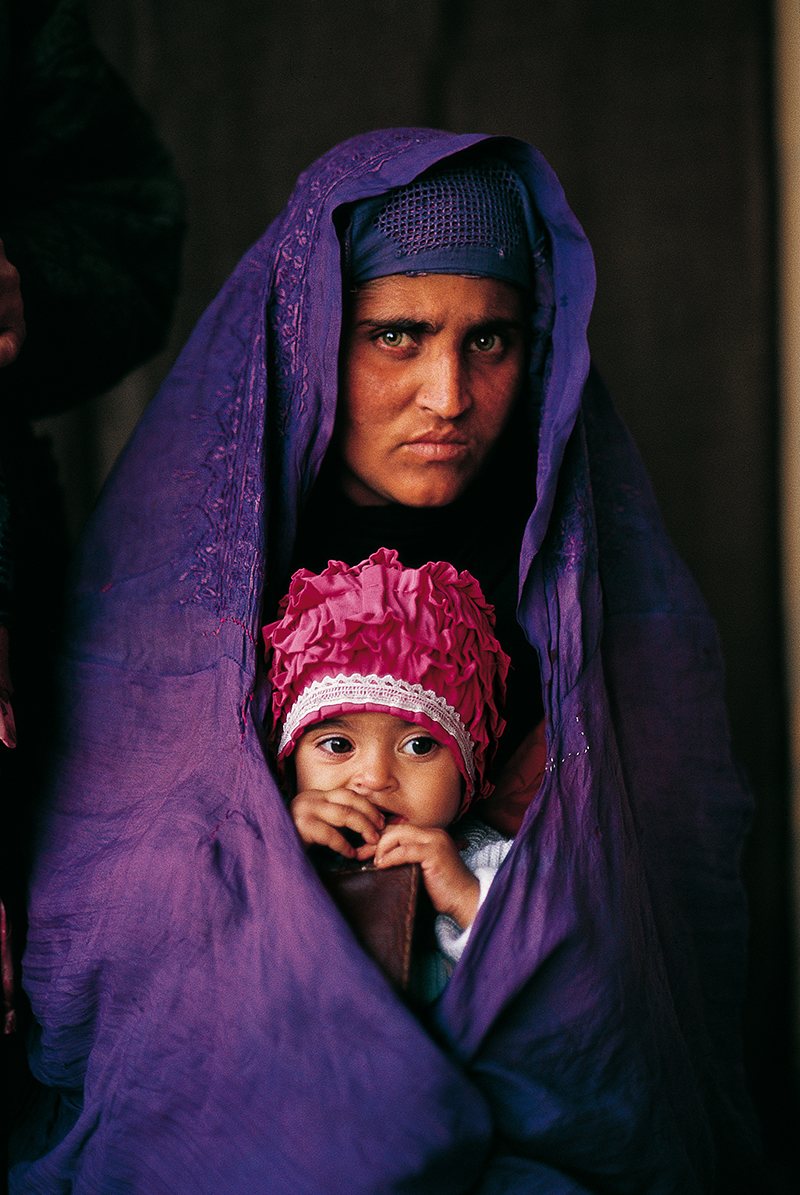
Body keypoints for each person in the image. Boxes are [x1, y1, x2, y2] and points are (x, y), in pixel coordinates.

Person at [10, 129, 760, 1193]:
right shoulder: (188, 590)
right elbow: (119, 904)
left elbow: (644, 942)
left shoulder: (575, 580)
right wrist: (266, 842)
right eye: (395, 336)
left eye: (490, 341)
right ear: (310, 336)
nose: (448, 395)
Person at [264, 548, 513, 1000]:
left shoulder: (493, 866)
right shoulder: (269, 845)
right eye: (338, 745)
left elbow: (553, 979)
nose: (375, 778)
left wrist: (463, 896)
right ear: (289, 763)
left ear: (469, 772)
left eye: (419, 746)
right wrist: (276, 848)